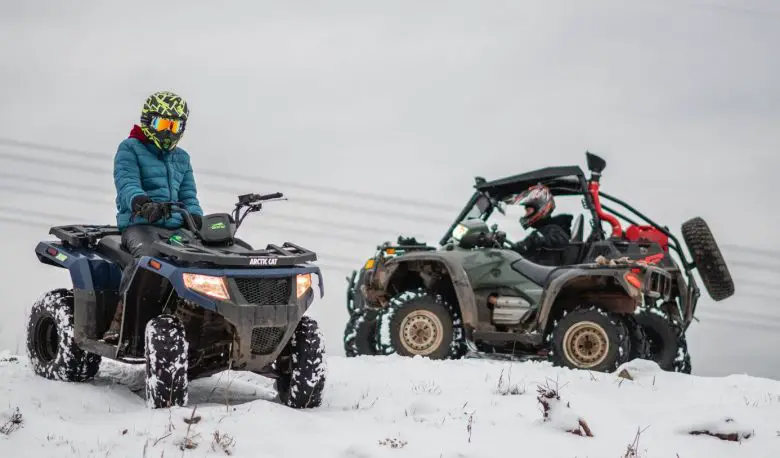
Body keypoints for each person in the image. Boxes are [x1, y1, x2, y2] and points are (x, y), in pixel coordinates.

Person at [102, 91, 204, 343]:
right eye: (163, 124)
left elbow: (189, 195)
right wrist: (142, 203)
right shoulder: (130, 148)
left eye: (175, 125)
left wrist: (197, 217)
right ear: (149, 122)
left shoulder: (182, 158)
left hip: (177, 228)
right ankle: (120, 323)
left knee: (204, 259)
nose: (169, 132)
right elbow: (127, 183)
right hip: (140, 225)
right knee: (148, 258)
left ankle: (199, 318)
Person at [510, 184, 573, 264]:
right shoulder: (542, 230)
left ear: (540, 208)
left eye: (528, 211)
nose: (525, 215)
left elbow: (561, 241)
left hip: (544, 273)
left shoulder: (554, 228)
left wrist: (534, 239)